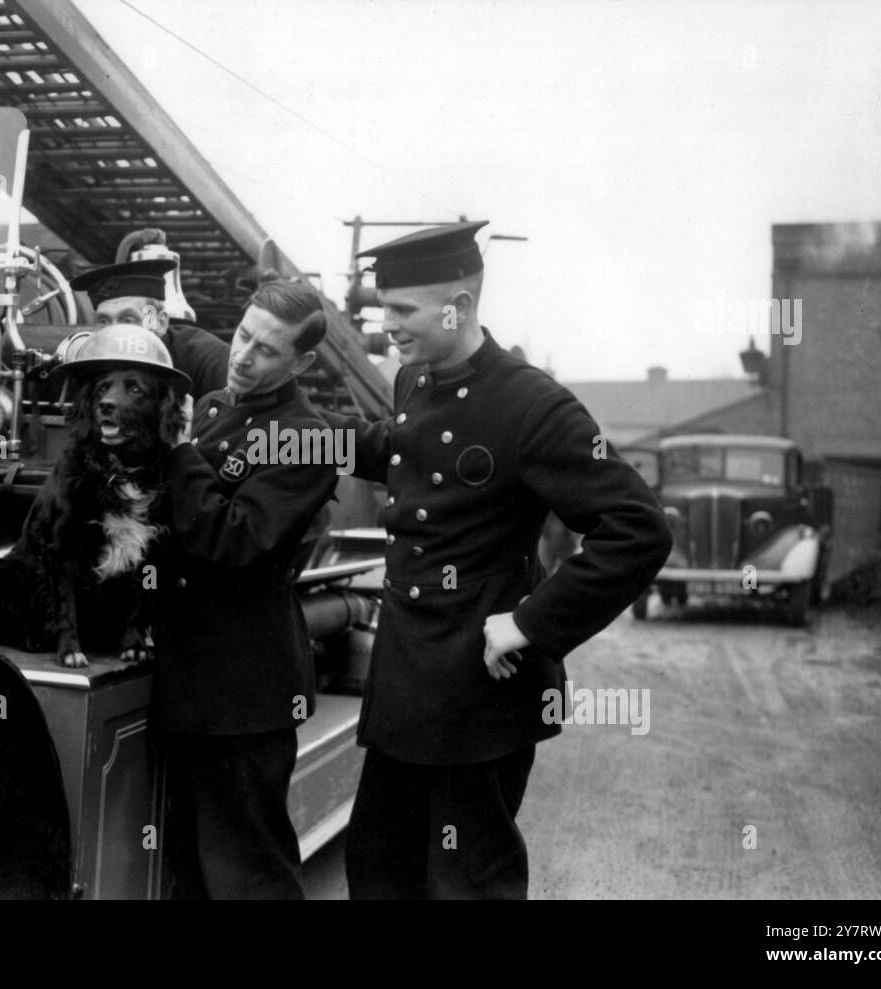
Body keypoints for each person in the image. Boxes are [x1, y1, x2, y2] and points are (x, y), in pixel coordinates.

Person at [324, 220, 672, 899]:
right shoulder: (413, 382)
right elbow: (394, 447)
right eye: (383, 308)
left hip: (480, 691)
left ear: (457, 304)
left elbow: (638, 528)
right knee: (379, 869)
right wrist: (275, 443)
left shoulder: (532, 404)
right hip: (405, 683)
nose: (386, 325)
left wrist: (532, 622)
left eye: (402, 311)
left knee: (466, 883)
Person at [151, 277, 337, 899]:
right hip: (188, 681)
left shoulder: (304, 438)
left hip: (240, 695)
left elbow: (233, 540)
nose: (243, 355)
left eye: (266, 350)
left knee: (247, 876)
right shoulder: (213, 406)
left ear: (302, 363)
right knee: (189, 871)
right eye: (242, 335)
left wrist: (176, 452)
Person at [71, 258, 229, 399]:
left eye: (127, 320)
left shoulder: (208, 361)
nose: (113, 334)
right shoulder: (87, 367)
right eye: (103, 321)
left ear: (159, 323)